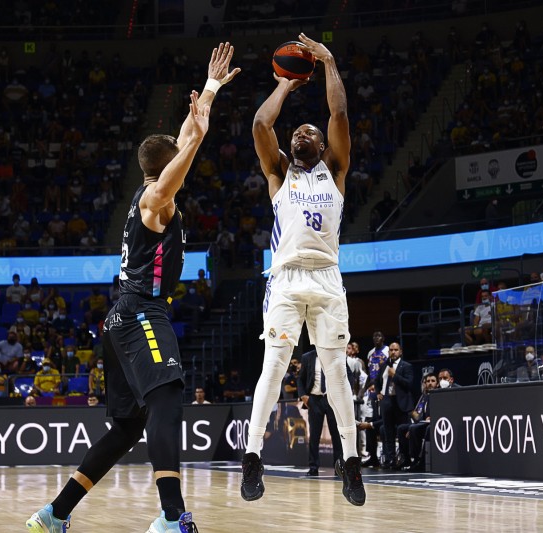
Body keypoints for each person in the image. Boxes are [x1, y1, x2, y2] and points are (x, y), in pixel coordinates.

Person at [26, 42, 238, 533]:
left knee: (126, 428)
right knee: (166, 399)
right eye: (178, 152)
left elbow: (189, 130)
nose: (184, 145)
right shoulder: (153, 201)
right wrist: (195, 142)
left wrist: (209, 89)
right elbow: (180, 160)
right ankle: (170, 518)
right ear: (164, 167)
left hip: (123, 316)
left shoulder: (152, 193)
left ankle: (52, 515)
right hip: (142, 311)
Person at [240, 33, 365, 507]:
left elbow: (338, 114)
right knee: (273, 368)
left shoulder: (334, 169)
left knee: (335, 372)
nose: (301, 134)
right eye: (297, 132)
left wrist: (330, 61)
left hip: (328, 279)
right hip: (287, 280)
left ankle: (350, 462)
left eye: (309, 133)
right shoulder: (278, 172)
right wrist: (286, 86)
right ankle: (252, 457)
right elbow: (259, 123)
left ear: (322, 144)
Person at [297, 348, 343, 476]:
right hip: (315, 399)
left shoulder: (335, 355)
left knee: (336, 434)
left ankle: (339, 468)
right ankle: (313, 467)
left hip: (332, 399)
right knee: (314, 435)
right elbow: (300, 379)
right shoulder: (307, 357)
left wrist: (345, 393)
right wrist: (303, 395)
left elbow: (347, 375)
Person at [375, 342, 414, 469]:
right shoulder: (384, 365)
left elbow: (409, 384)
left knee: (402, 432)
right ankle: (391, 460)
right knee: (388, 433)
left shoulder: (406, 366)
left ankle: (405, 459)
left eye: (396, 350)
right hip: (387, 401)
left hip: (401, 402)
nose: (393, 352)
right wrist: (378, 392)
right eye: (391, 350)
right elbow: (376, 381)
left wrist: (395, 376)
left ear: (400, 352)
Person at [395, 373, 437, 472]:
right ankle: (406, 459)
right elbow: (420, 416)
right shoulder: (425, 396)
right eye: (427, 381)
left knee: (413, 429)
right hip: (423, 422)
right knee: (402, 428)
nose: (430, 383)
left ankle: (417, 460)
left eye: (433, 381)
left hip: (434, 423)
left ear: (437, 383)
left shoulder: (439, 395)